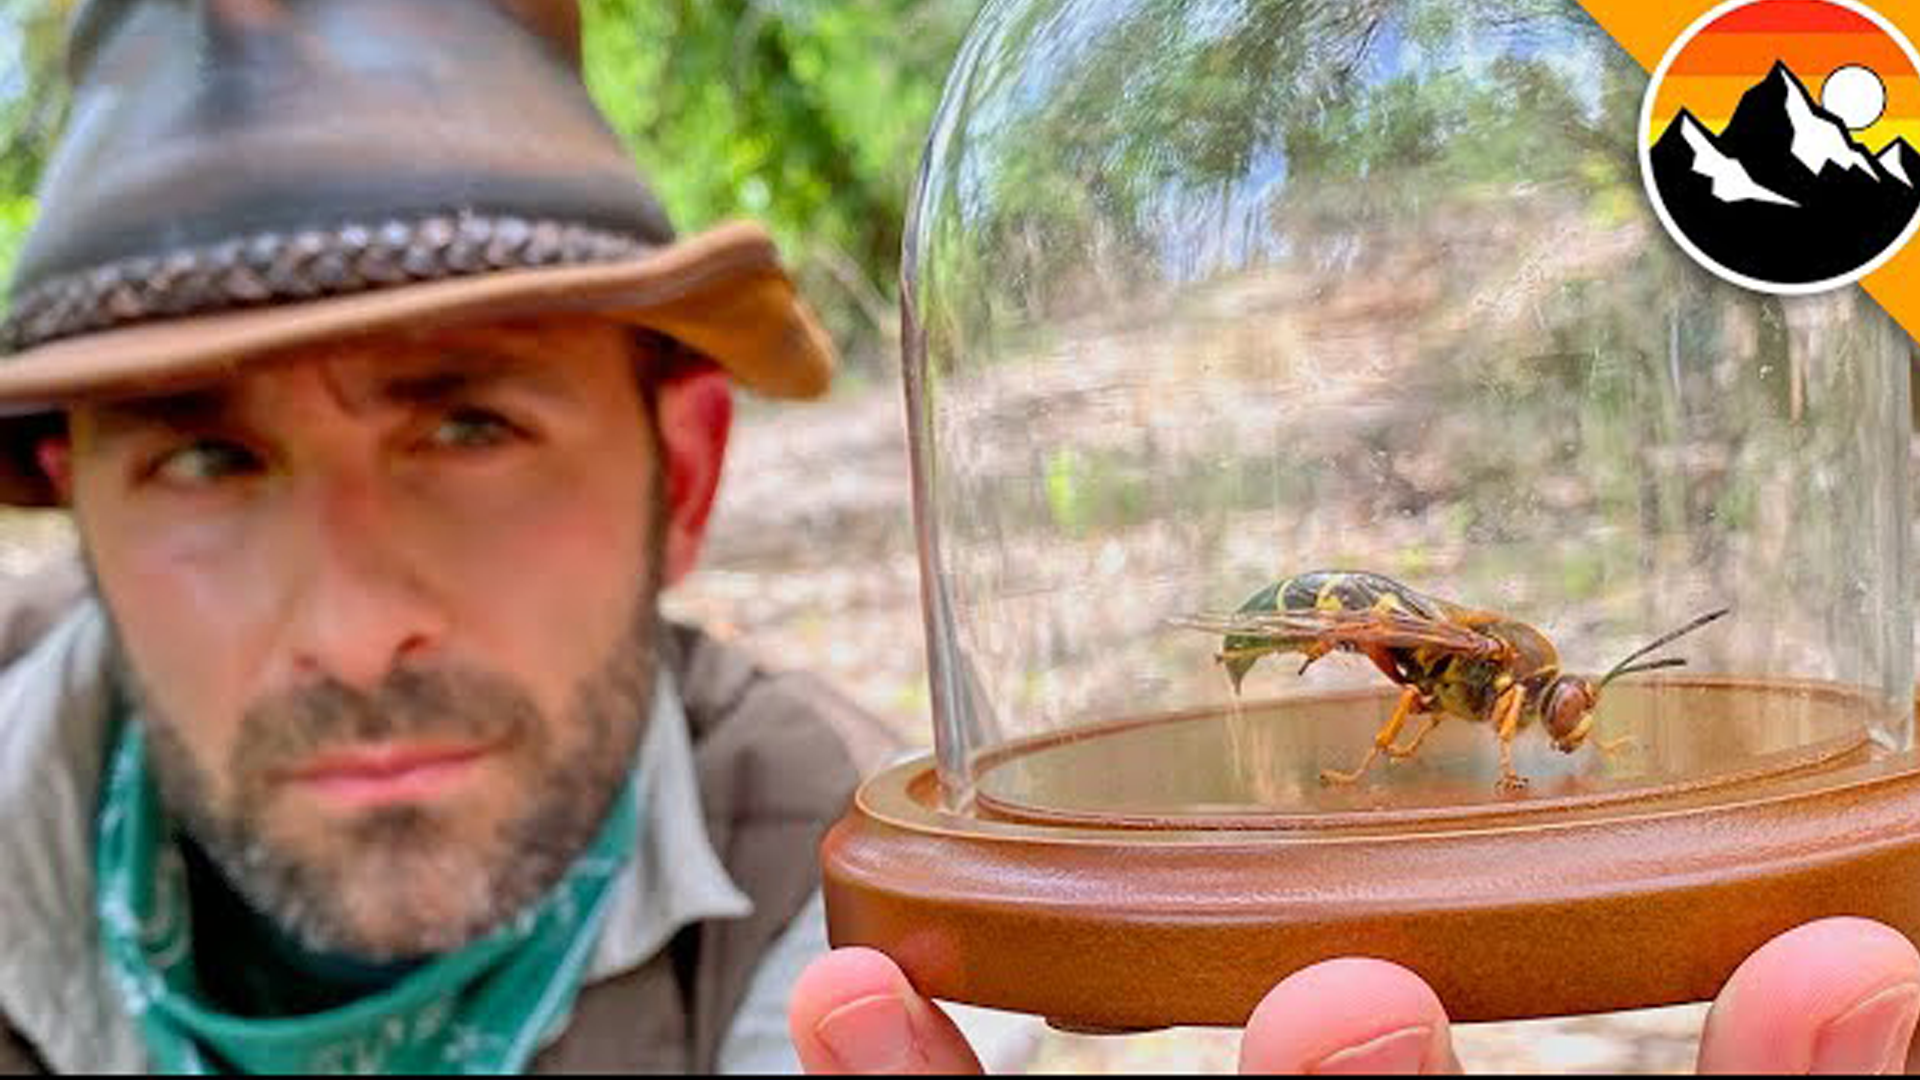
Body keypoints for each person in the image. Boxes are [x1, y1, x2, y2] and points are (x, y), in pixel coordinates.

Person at [0, 0, 896, 1073]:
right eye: (204, 461)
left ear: (686, 481)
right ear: (80, 512)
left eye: (472, 431)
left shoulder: (852, 896)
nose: (354, 635)